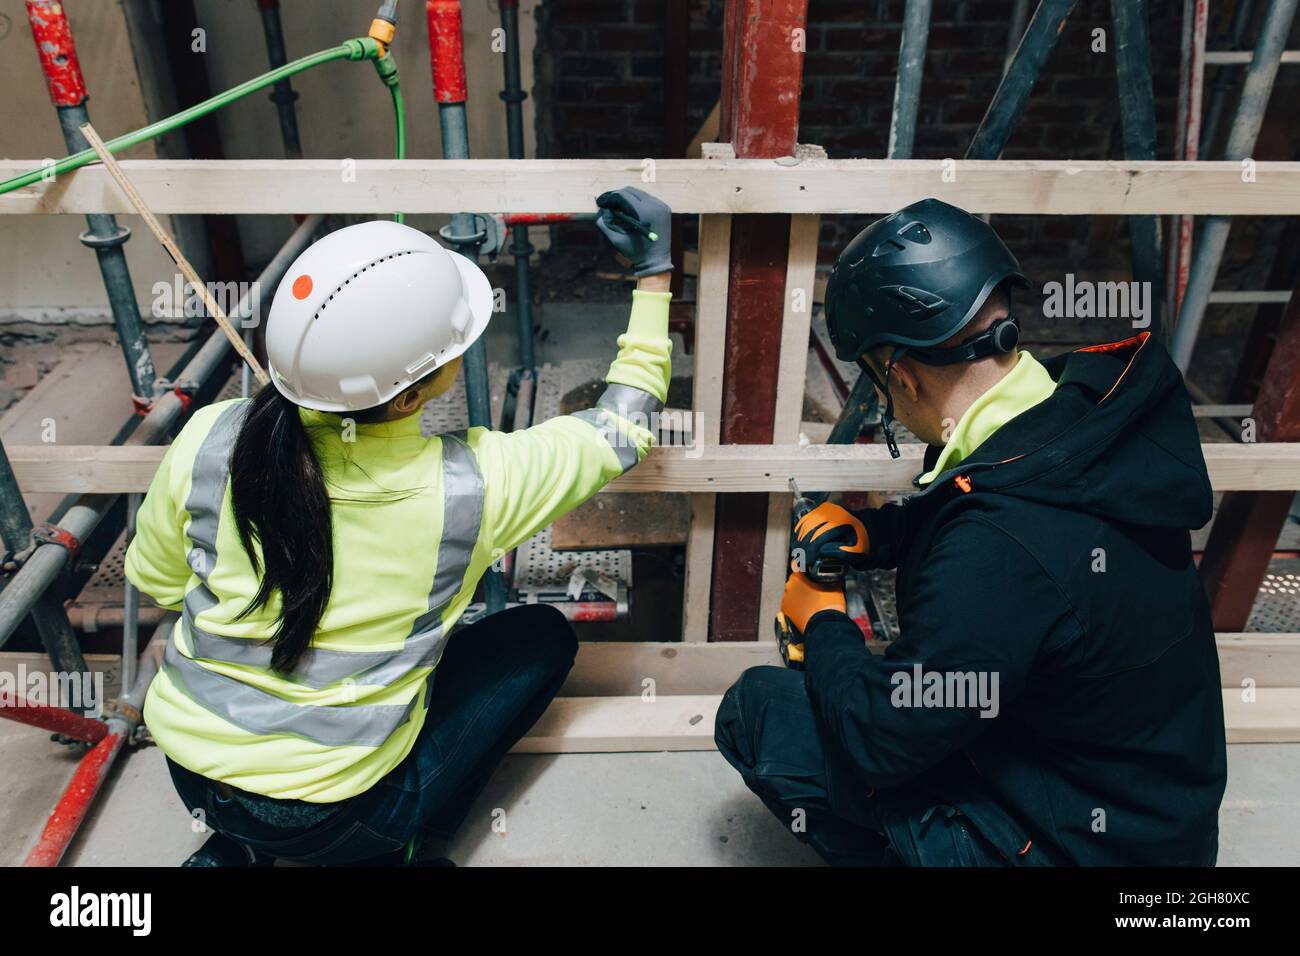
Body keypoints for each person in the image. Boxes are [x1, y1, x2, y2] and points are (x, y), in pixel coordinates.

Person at [125, 187, 675, 866]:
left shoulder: (212, 435)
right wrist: (654, 273)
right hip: (339, 814)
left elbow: (156, 579)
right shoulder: (476, 487)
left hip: (194, 774)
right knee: (540, 638)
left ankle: (237, 849)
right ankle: (400, 848)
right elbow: (620, 425)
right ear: (415, 392)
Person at [715, 198, 1227, 866]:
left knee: (760, 709)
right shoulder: (1085, 420)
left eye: (880, 385)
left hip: (1079, 851)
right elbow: (991, 491)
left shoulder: (997, 552)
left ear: (898, 374)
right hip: (1151, 816)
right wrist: (881, 533)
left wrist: (823, 628)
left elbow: (884, 737)